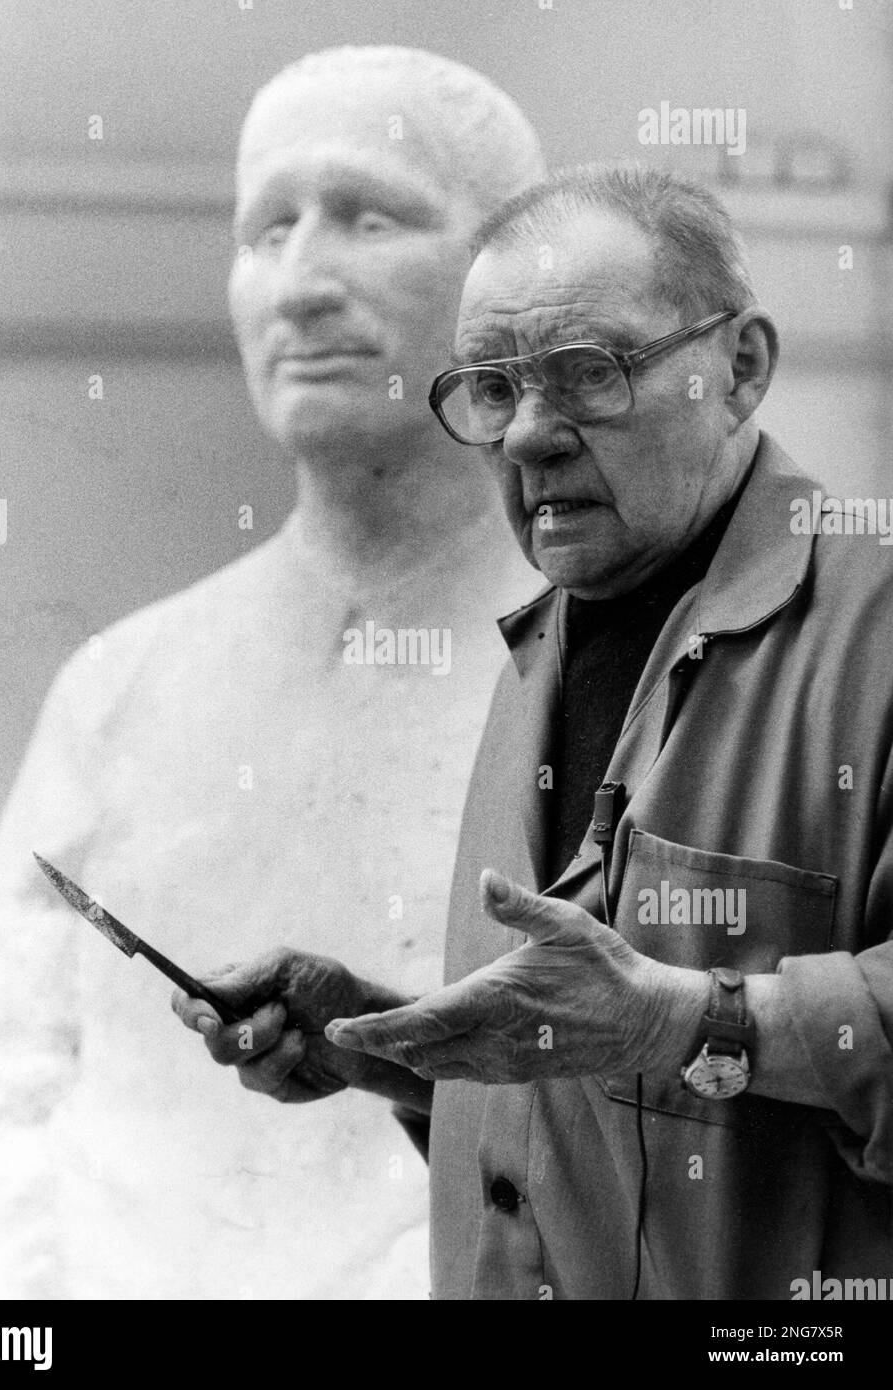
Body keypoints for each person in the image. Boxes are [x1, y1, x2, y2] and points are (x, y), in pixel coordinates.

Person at [175, 164, 893, 1300]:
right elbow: (598, 1096)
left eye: (583, 374)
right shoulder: (542, 647)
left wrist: (679, 1018)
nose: (526, 436)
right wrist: (396, 1048)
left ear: (741, 365)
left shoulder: (874, 626)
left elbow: (651, 1037)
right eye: (492, 387)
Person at [0, 47, 545, 1300]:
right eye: (266, 228)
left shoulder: (607, 667)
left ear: (501, 281)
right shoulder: (123, 681)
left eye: (369, 215)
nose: (300, 283)